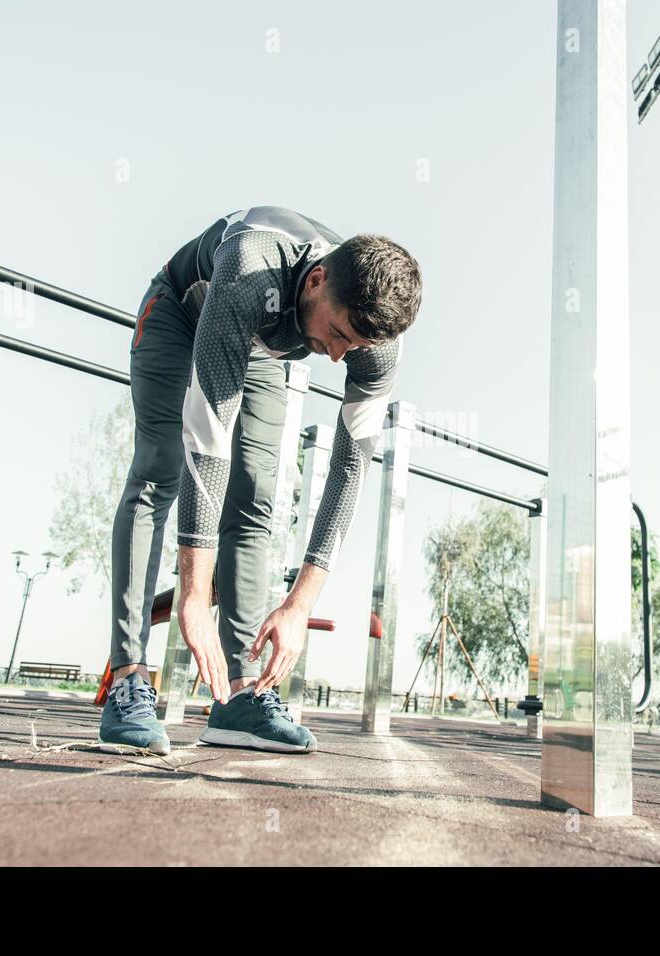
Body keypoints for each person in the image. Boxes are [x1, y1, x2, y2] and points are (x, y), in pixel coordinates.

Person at [98, 207, 422, 755]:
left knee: (255, 498)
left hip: (264, 349)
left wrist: (298, 604)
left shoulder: (375, 339)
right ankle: (129, 679)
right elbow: (207, 434)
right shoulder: (254, 264)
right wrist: (194, 599)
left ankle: (240, 697)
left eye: (356, 348)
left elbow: (349, 466)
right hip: (185, 313)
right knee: (160, 470)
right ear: (317, 279)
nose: (341, 355)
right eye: (338, 334)